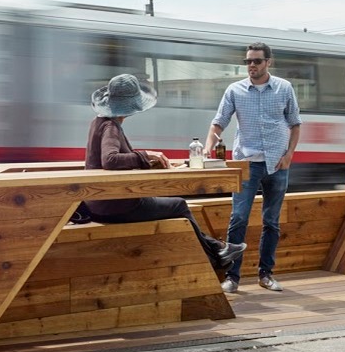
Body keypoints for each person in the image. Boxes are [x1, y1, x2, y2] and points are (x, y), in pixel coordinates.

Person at [82, 73, 243, 280]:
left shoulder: (99, 121)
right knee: (179, 206)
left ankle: (218, 250)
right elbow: (110, 160)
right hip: (114, 206)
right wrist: (145, 156)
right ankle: (216, 255)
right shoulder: (111, 126)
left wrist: (145, 159)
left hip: (100, 203)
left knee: (176, 206)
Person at [205, 41, 301, 293]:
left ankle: (265, 274)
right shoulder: (235, 90)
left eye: (257, 61)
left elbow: (295, 123)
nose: (251, 65)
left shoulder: (284, 88)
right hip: (246, 163)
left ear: (268, 62)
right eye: (248, 61)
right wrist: (207, 146)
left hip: (277, 163)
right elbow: (218, 123)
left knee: (272, 221)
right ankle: (232, 278)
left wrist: (290, 154)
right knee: (238, 218)